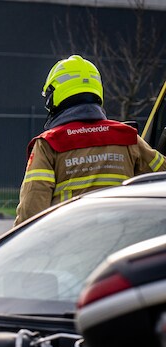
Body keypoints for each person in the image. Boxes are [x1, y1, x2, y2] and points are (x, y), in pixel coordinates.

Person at [15, 55, 166, 225]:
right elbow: (162, 179)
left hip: (69, 237)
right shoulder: (128, 138)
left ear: (54, 96)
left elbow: (31, 211)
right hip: (122, 236)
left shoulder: (49, 144)